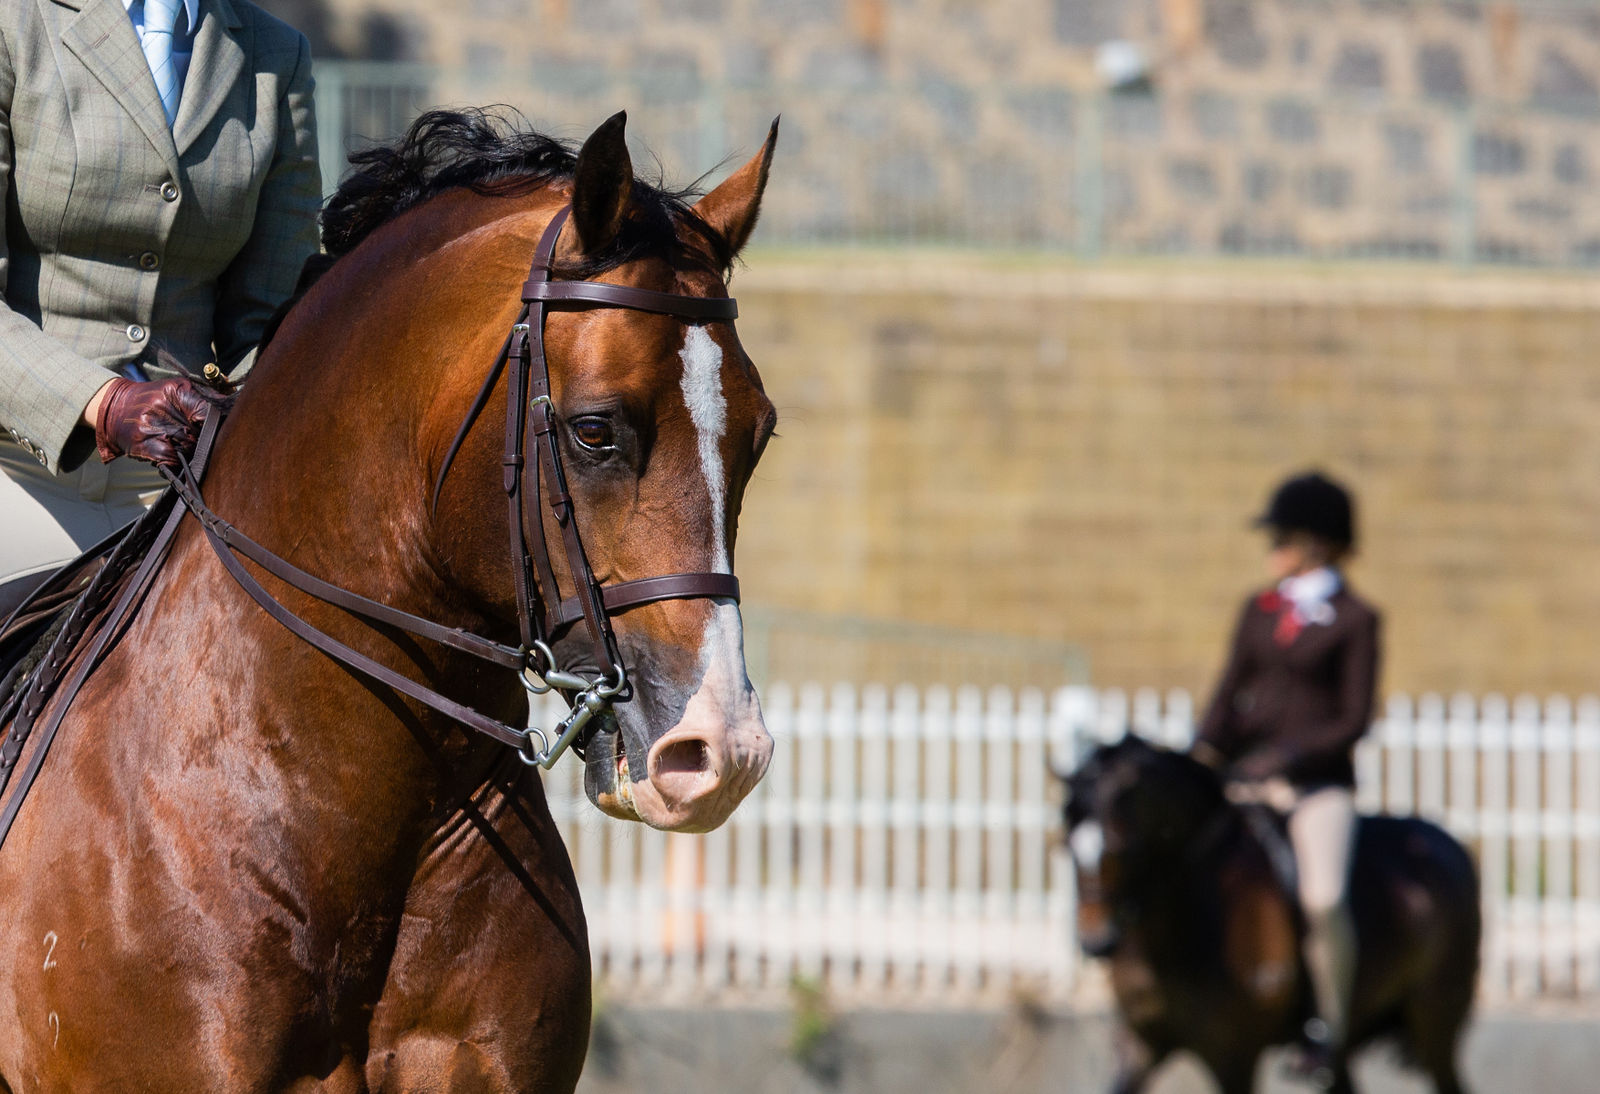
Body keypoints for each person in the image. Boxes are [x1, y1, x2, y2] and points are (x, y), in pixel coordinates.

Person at [0, 0, 322, 621]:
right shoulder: (15, 24)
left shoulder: (276, 57)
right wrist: (106, 402)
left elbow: (269, 321)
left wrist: (235, 410)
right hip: (16, 468)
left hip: (187, 491)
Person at [1191, 470, 1381, 1088]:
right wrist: (1201, 754)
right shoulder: (1260, 609)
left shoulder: (1354, 619)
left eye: (1282, 536)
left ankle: (1331, 1026)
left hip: (1316, 788)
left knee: (1322, 898)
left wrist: (1289, 758)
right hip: (1247, 783)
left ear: (1316, 542)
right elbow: (1228, 694)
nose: (1272, 548)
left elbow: (1353, 717)